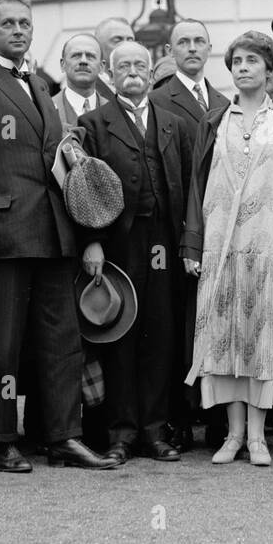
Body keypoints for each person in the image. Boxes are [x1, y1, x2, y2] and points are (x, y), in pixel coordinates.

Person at [0, 0, 117, 472]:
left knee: (63, 343)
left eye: (24, 23)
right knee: (1, 346)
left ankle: (64, 437)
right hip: (2, 239)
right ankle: (0, 439)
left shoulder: (39, 85)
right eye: (8, 23)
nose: (18, 30)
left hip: (53, 236)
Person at [182, 31, 273, 466]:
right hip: (222, 248)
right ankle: (233, 434)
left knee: (263, 337)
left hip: (271, 244)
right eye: (237, 60)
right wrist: (193, 244)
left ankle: (258, 436)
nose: (243, 67)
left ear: (271, 69)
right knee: (224, 338)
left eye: (253, 60)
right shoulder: (213, 120)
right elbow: (197, 183)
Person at [78, 41, 193, 463]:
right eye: (123, 65)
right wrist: (91, 241)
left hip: (164, 241)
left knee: (160, 336)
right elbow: (83, 188)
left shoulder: (174, 123)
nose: (133, 72)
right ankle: (121, 434)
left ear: (150, 72)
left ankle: (155, 431)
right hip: (117, 243)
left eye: (140, 65)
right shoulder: (93, 124)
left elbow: (190, 187)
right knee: (119, 336)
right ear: (109, 76)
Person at [149, 19, 228, 128]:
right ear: (170, 50)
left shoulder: (224, 104)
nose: (192, 48)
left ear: (209, 49)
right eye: (183, 42)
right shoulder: (154, 101)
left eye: (199, 41)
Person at [53, 33, 104, 130]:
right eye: (76, 55)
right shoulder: (45, 110)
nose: (83, 61)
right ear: (63, 64)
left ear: (101, 66)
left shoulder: (116, 111)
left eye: (90, 56)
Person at [92, 18, 134, 101]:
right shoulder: (87, 90)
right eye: (118, 41)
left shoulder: (142, 85)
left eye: (130, 40)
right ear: (98, 46)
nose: (126, 46)